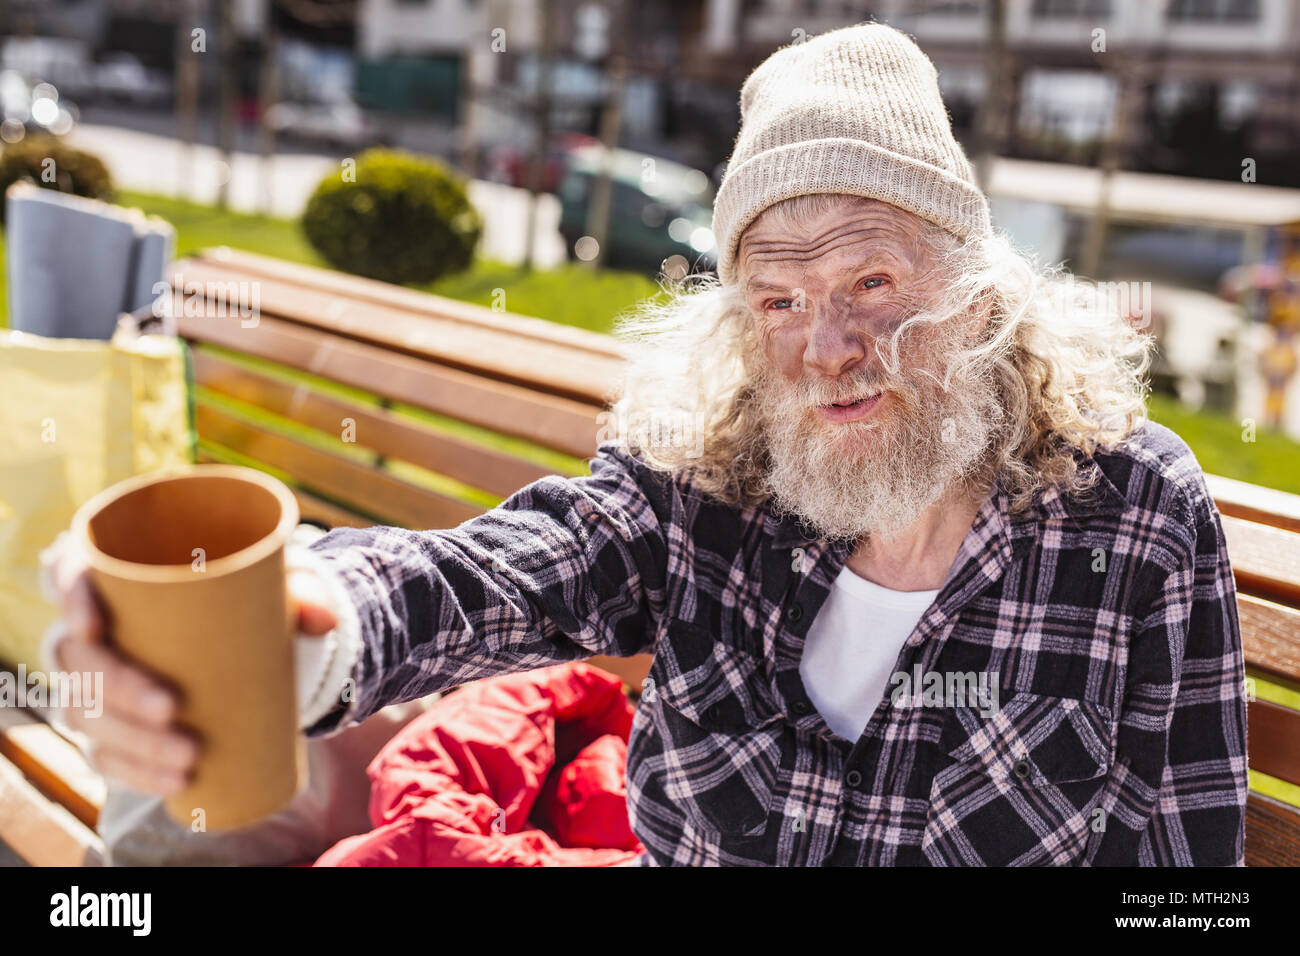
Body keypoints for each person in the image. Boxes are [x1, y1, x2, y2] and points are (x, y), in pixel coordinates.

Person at [44, 22, 1247, 866]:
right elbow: (513, 567)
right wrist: (313, 609)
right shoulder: (709, 475)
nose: (825, 342)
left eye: (871, 278)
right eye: (775, 298)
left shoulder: (1130, 519)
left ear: (978, 295)